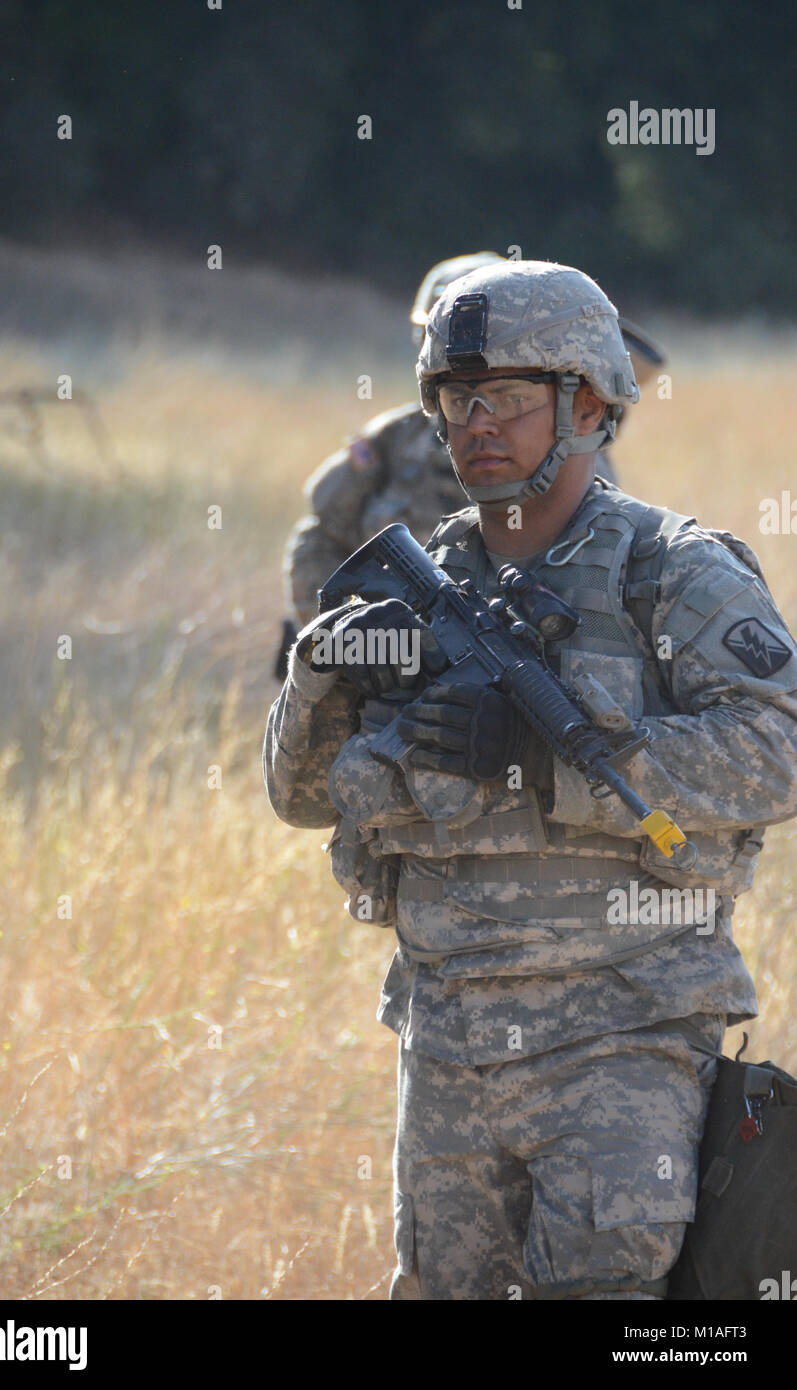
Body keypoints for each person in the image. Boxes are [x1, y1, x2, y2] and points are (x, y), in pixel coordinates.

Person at [263, 258, 797, 1300]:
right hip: (448, 1041)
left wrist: (554, 756)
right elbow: (299, 796)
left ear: (589, 404)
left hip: (620, 1044)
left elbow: (778, 749)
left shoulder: (674, 571)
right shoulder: (419, 583)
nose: (475, 424)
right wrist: (321, 673)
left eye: (507, 396)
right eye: (456, 399)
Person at [282, 254, 666, 631]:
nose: (481, 424)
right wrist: (335, 639)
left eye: (510, 396)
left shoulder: (564, 443)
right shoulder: (394, 437)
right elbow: (321, 534)